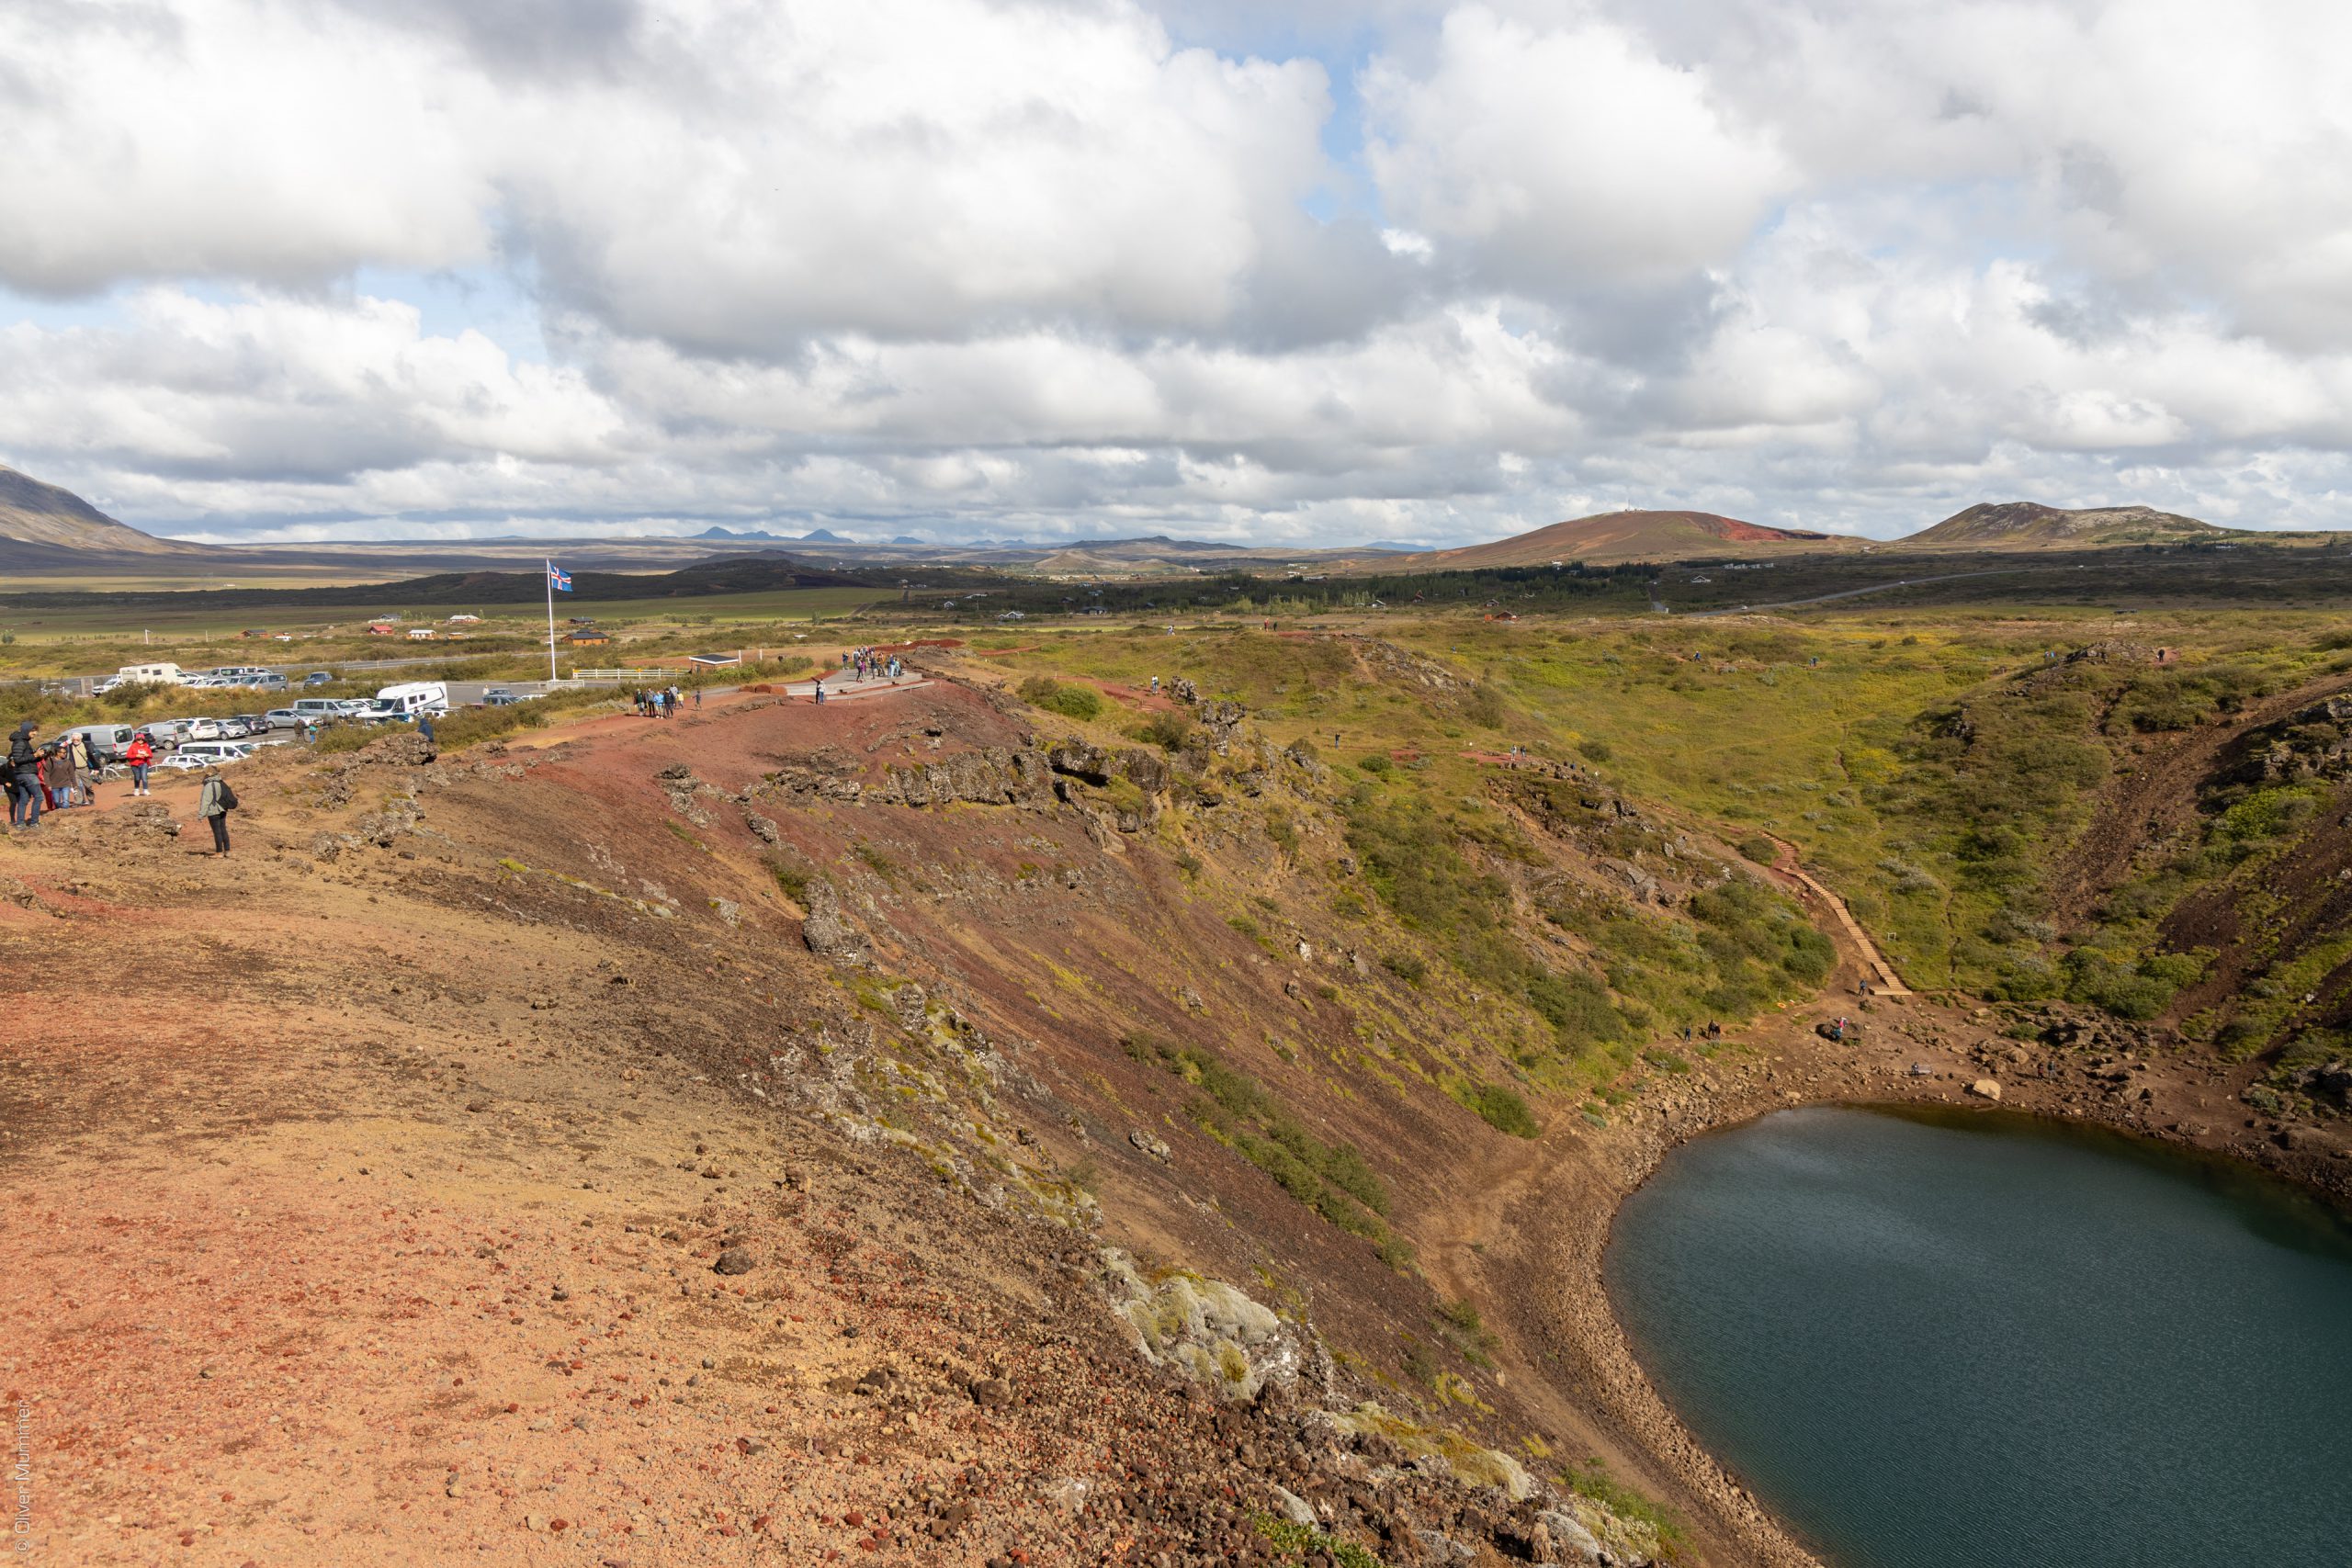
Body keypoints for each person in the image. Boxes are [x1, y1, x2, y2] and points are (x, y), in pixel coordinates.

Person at [8, 720, 46, 829]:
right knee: (39, 797)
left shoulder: (24, 741)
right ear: (26, 730)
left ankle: (20, 824)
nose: (35, 733)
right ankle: (34, 823)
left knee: (24, 800)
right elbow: (18, 759)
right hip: (27, 774)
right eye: (33, 731)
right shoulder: (20, 742)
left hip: (23, 773)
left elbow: (26, 758)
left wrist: (39, 756)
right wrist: (34, 755)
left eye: (36, 731)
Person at [197, 766, 232, 855]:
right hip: (223, 809)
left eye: (205, 773)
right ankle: (227, 851)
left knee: (217, 831)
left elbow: (205, 801)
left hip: (213, 811)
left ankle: (219, 852)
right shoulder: (220, 782)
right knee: (223, 829)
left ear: (209, 774)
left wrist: (201, 815)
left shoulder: (209, 785)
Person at [125, 730, 154, 797]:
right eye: (138, 739)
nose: (140, 740)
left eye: (141, 739)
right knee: (137, 778)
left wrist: (147, 755)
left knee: (144, 777)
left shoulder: (146, 746)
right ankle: (136, 789)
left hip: (144, 763)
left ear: (144, 739)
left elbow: (151, 755)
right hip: (135, 764)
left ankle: (145, 790)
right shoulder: (133, 746)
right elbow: (128, 755)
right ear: (136, 739)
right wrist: (136, 756)